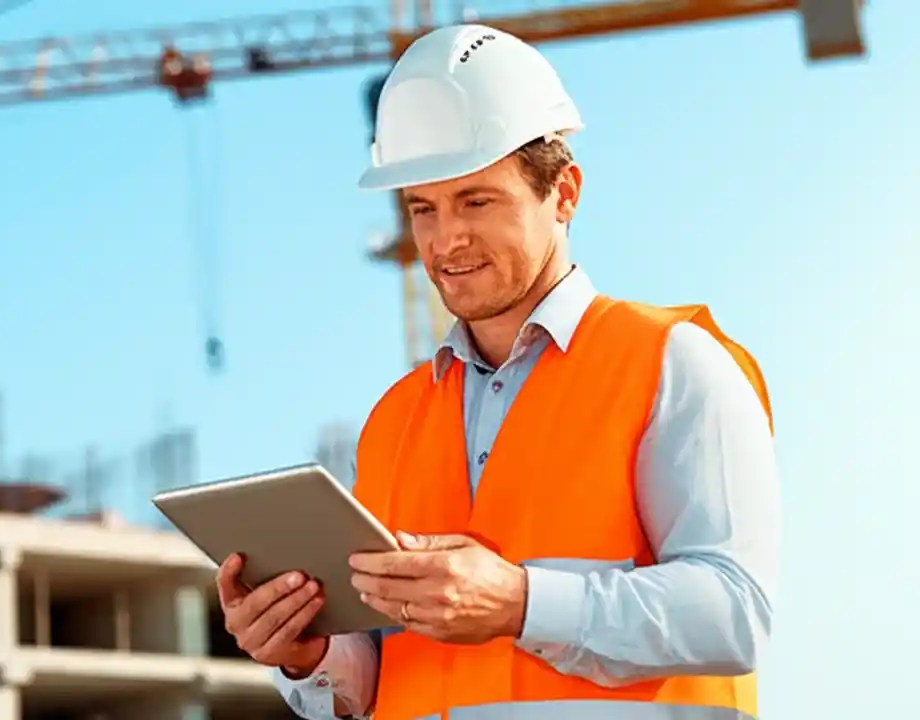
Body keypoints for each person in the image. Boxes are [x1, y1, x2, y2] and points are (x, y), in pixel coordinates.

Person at [215, 23, 779, 720]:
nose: (445, 239)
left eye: (476, 201)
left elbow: (735, 613)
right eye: (422, 208)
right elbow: (393, 667)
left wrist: (518, 601)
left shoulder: (673, 362)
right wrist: (306, 654)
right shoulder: (395, 420)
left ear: (563, 193)